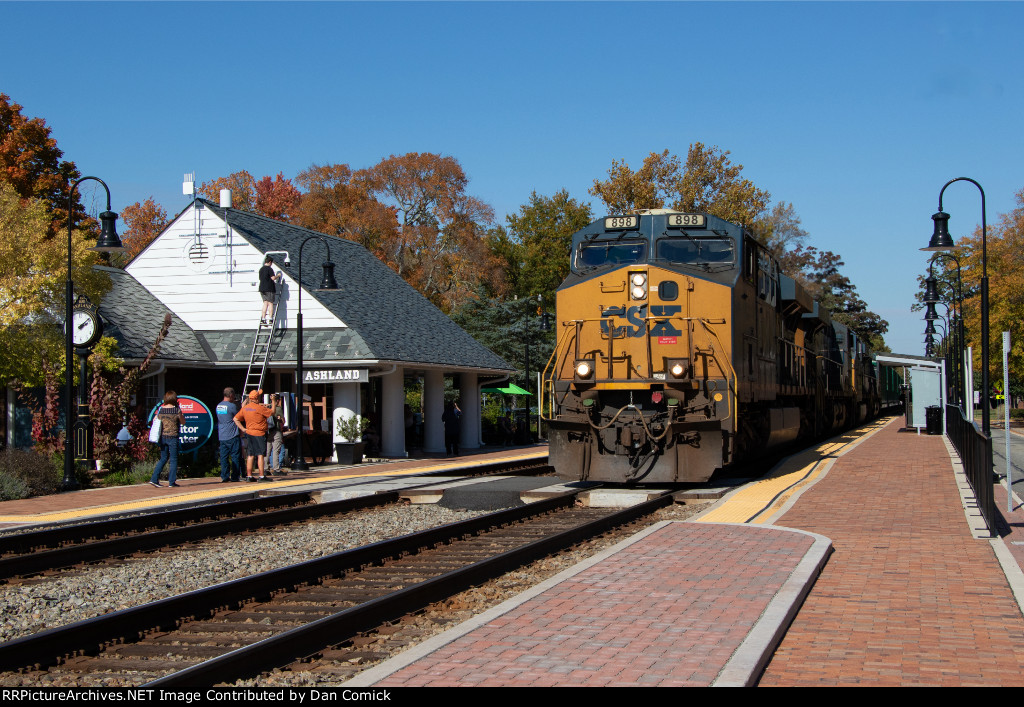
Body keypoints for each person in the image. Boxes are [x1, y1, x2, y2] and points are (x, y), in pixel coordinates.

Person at [234, 389, 275, 481]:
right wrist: (273, 401)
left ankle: (249, 476)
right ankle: (261, 476)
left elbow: (236, 419)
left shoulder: (245, 408)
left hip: (249, 433)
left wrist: (243, 429)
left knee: (250, 454)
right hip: (259, 433)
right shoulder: (259, 408)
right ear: (256, 398)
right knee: (260, 454)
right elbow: (272, 412)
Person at [150, 391, 186, 488]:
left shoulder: (161, 410)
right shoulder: (176, 410)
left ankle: (154, 479)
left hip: (162, 437)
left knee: (163, 458)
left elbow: (154, 420)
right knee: (173, 459)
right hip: (173, 437)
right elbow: (183, 422)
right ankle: (171, 482)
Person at [216, 387, 243, 483]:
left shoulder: (218, 406)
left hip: (222, 435)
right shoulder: (232, 406)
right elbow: (239, 417)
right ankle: (235, 476)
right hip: (232, 434)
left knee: (224, 457)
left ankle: (224, 476)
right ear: (231, 395)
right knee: (235, 456)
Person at [266, 393, 286, 475]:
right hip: (276, 431)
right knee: (276, 450)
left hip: (268, 431)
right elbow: (283, 421)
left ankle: (265, 468)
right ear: (277, 401)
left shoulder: (267, 407)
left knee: (267, 450)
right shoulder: (278, 408)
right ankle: (276, 469)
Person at [258, 255, 282, 324]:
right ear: (270, 262)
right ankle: (271, 318)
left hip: (262, 288)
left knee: (265, 303)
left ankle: (263, 318)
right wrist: (278, 275)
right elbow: (273, 278)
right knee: (270, 303)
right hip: (269, 288)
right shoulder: (269, 269)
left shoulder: (261, 269)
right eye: (271, 263)